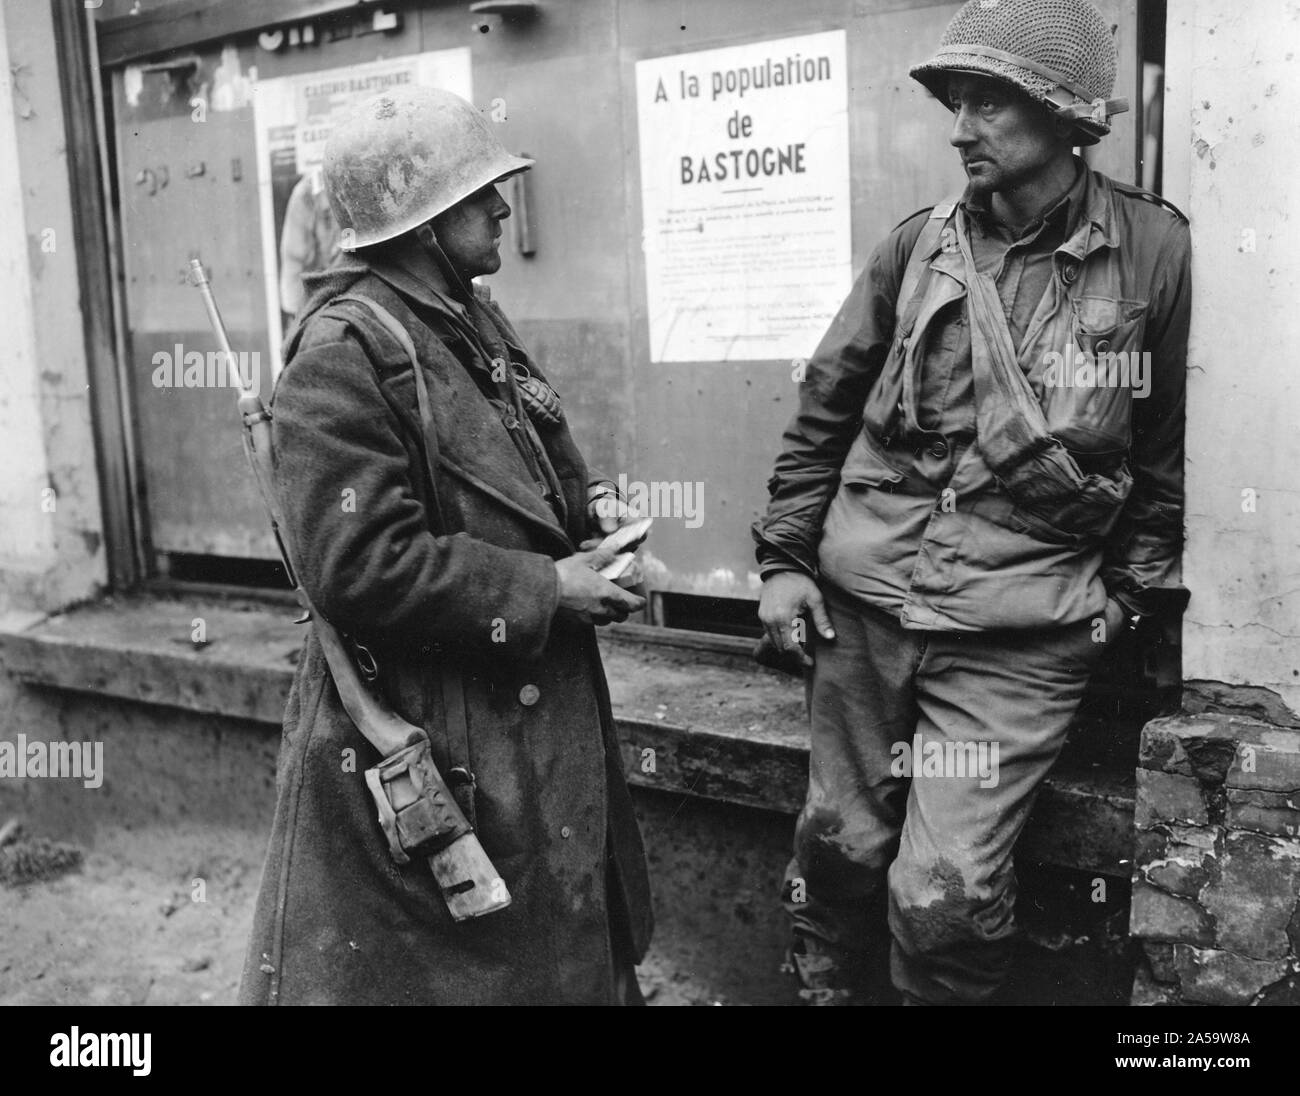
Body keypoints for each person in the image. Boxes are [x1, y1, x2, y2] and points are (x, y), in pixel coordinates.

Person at [753, 0, 1190, 1005]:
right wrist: (782, 561)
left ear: (1061, 114)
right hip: (863, 615)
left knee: (941, 892)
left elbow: (1162, 457)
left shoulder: (1151, 256)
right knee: (836, 852)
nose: (960, 127)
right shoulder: (916, 248)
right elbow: (824, 409)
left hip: (1015, 633)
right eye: (957, 102)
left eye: (987, 102)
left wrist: (1123, 599)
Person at [239, 86, 653, 1005]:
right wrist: (549, 588)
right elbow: (358, 566)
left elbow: (527, 466)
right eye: (479, 196)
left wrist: (594, 516)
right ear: (423, 222)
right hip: (446, 727)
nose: (503, 208)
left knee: (562, 960)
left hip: (525, 726)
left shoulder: (463, 316)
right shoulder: (343, 354)